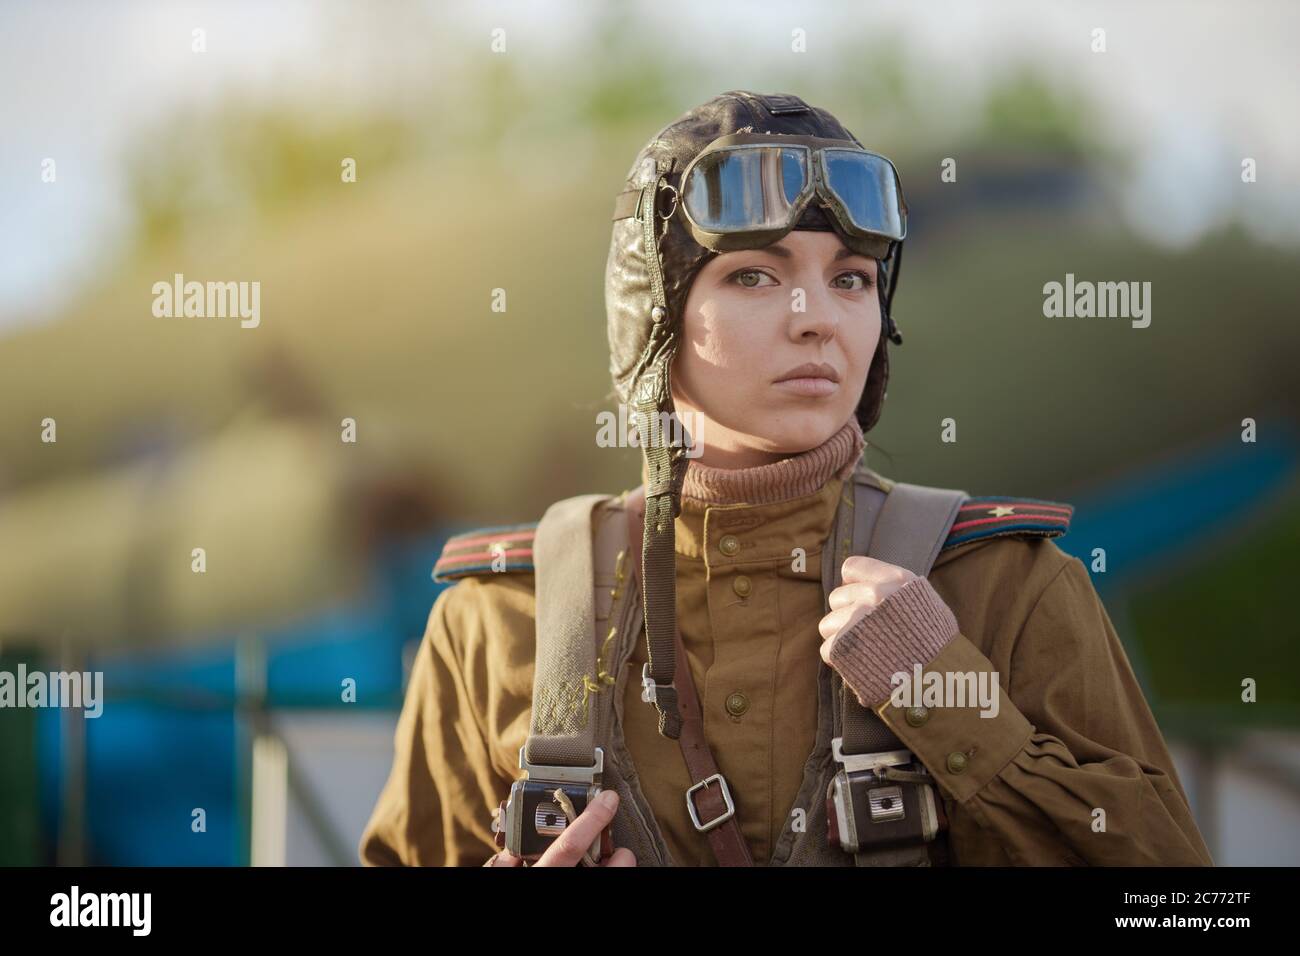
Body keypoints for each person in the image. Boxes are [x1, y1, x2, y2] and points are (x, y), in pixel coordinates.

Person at [359, 90, 1213, 867]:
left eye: (849, 278)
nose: (817, 322)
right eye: (755, 276)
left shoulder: (1004, 587)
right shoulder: (500, 621)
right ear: (655, 315)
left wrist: (952, 704)